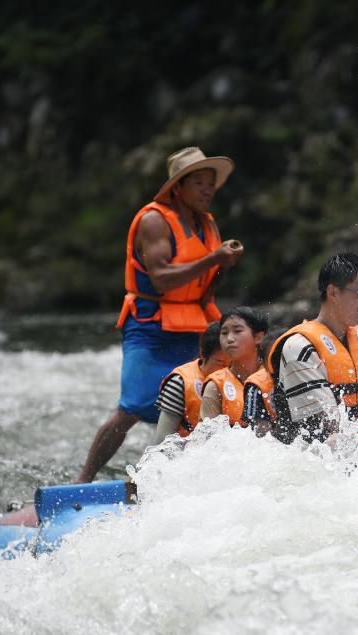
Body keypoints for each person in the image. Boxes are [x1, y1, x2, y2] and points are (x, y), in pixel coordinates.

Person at [77, 147, 244, 482]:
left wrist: (222, 265)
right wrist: (214, 259)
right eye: (198, 182)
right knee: (133, 408)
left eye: (210, 183)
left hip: (194, 324)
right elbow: (162, 278)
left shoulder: (206, 223)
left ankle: (179, 477)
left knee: (201, 401)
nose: (207, 189)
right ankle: (82, 481)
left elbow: (206, 283)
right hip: (150, 326)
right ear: (178, 188)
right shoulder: (154, 220)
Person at [268, 253, 358, 444]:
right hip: (315, 452)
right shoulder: (300, 348)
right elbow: (328, 424)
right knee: (335, 441)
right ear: (333, 292)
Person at [153, 321, 230, 442]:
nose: (226, 370)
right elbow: (160, 444)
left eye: (232, 364)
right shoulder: (179, 383)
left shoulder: (245, 378)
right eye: (220, 363)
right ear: (203, 354)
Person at [199, 307, 268, 426]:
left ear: (258, 337)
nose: (229, 339)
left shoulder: (274, 375)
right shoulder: (215, 385)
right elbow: (208, 440)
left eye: (237, 331)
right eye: (224, 333)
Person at [242, 327, 286, 437]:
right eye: (274, 358)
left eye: (285, 356)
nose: (280, 363)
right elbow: (260, 434)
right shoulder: (256, 388)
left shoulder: (307, 375)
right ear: (264, 364)